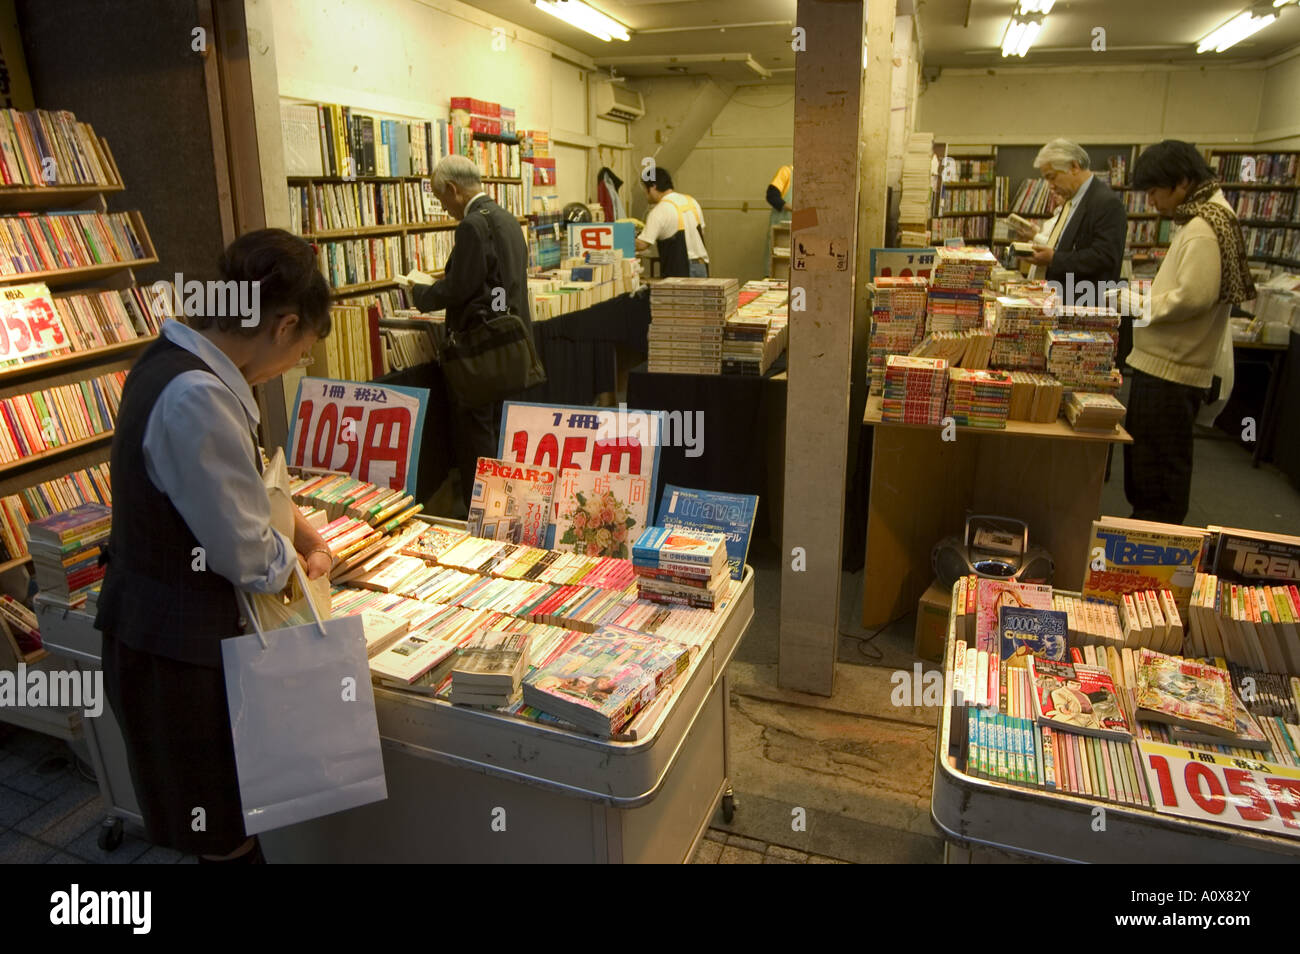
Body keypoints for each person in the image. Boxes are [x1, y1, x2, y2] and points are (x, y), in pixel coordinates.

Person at [95, 228, 334, 864]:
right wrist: (306, 564)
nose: (296, 363)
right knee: (224, 837)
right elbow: (246, 553)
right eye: (304, 349)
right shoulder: (197, 395)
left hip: (163, 633)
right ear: (284, 326)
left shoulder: (177, 358)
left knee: (224, 828)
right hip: (177, 653)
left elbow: (230, 496)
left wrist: (297, 528)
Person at [1121, 140, 1255, 525]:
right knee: (1150, 467)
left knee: (1157, 474)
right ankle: (1148, 539)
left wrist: (1133, 304)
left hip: (1172, 369)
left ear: (1181, 182)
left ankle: (1155, 552)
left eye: (1154, 191)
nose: (1152, 202)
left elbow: (1192, 299)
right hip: (1168, 364)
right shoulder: (1206, 215)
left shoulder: (1202, 227)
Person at [398, 155, 533, 509]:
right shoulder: (506, 219)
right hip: (510, 345)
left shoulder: (472, 225)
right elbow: (499, 284)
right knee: (500, 431)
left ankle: (486, 512)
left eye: (443, 200)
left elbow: (460, 288)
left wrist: (421, 292)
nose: (446, 209)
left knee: (477, 437)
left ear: (453, 190)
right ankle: (507, 506)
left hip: (480, 350)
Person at [1016, 139, 1127, 303]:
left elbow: (1105, 257)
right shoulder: (1072, 200)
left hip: (1084, 304)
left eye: (1052, 177)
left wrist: (1054, 259)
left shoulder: (1106, 202)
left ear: (1074, 167)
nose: (1050, 186)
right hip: (1061, 300)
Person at [634, 167, 708, 278]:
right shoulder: (692, 202)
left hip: (679, 271)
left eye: (646, 189)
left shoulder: (659, 210)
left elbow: (642, 244)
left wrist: (617, 241)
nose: (645, 194)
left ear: (653, 187)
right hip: (701, 267)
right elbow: (701, 232)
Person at [766, 164, 793, 273]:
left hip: (799, 231)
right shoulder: (787, 172)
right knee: (777, 269)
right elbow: (771, 196)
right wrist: (793, 208)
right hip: (781, 233)